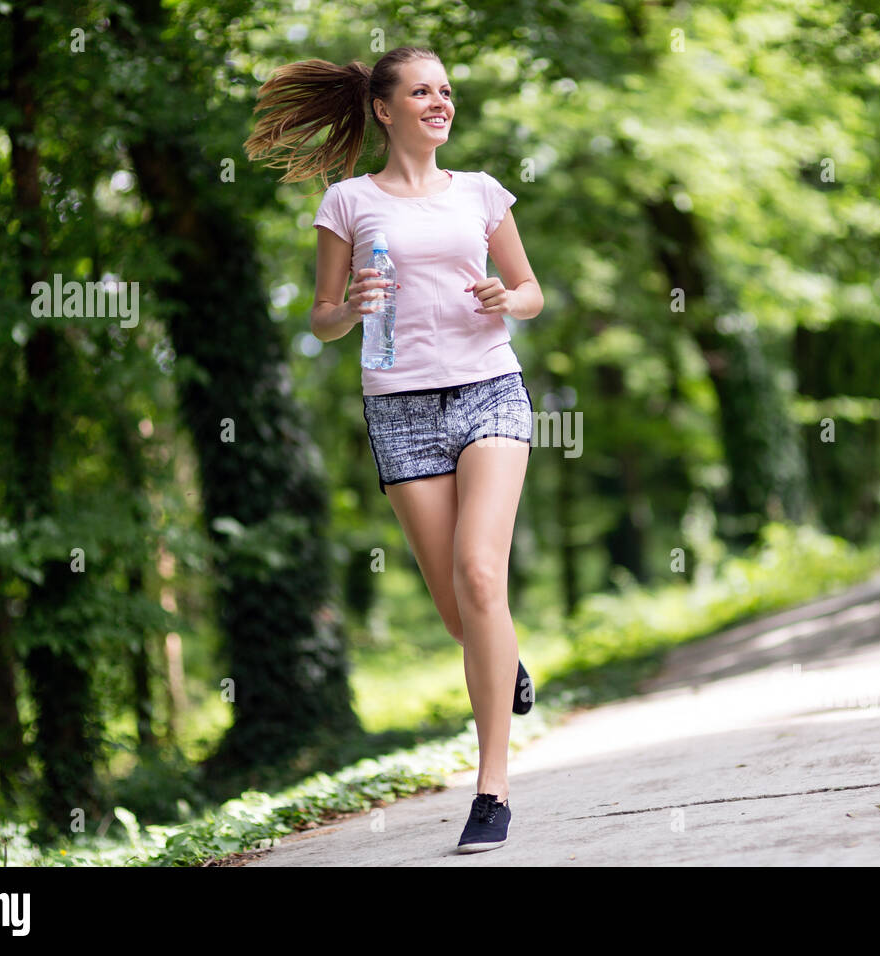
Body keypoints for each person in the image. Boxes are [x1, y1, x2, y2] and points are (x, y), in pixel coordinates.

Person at [244, 46, 542, 854]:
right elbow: (321, 316)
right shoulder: (347, 202)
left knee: (482, 575)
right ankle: (503, 659)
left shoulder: (481, 193)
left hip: (489, 390)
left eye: (446, 90)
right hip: (399, 407)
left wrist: (503, 296)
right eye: (422, 92)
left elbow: (531, 292)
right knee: (460, 611)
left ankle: (492, 791)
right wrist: (351, 306)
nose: (440, 102)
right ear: (385, 109)